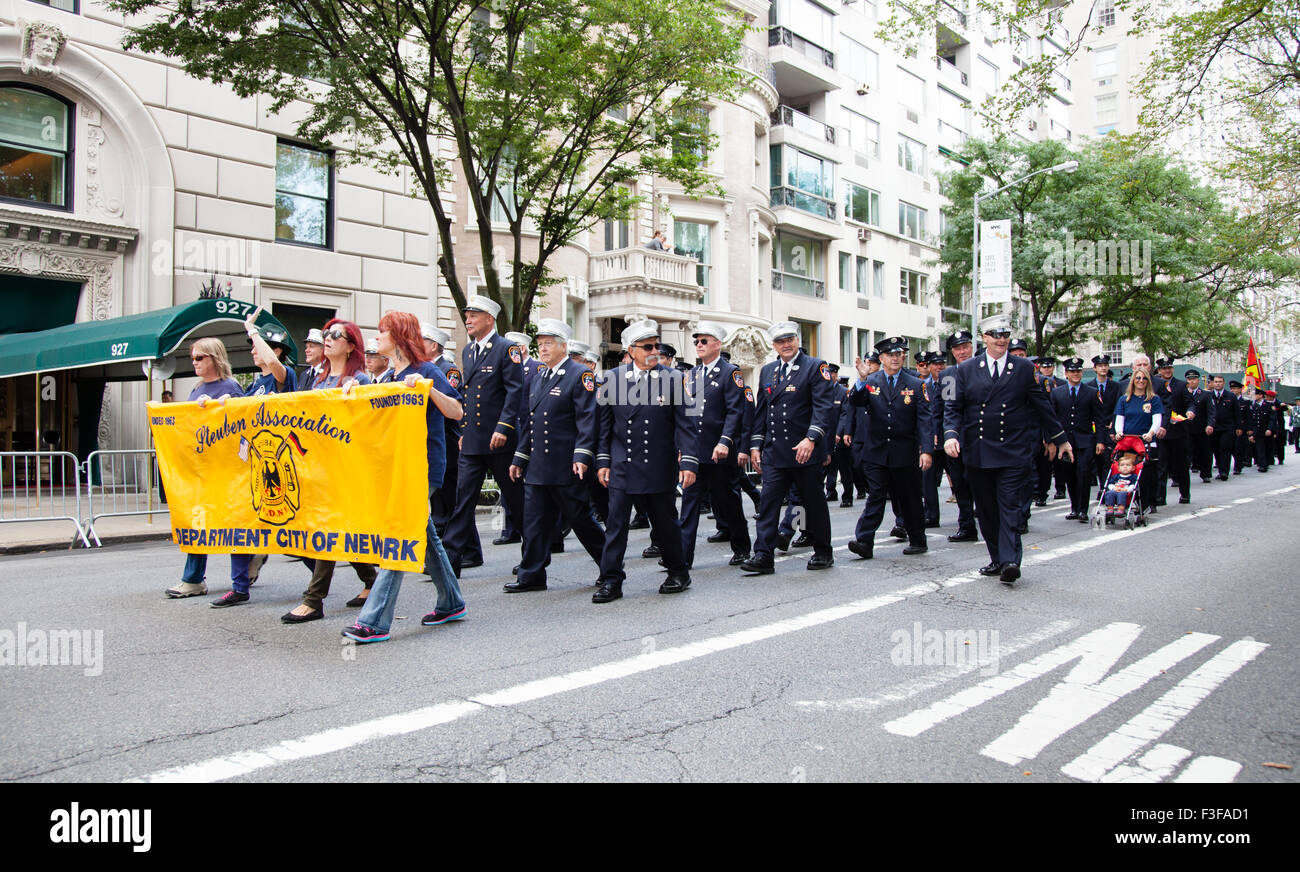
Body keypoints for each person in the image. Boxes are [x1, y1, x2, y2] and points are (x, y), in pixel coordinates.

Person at [341, 311, 466, 643]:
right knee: (424, 536)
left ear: (397, 336)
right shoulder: (385, 378)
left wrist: (427, 391)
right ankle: (451, 601)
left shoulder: (426, 371)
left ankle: (375, 620)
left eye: (382, 332)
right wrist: (354, 395)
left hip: (422, 467)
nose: (376, 339)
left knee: (398, 533)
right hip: (395, 467)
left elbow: (456, 411)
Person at [942, 314, 1070, 586]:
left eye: (1005, 336)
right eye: (995, 336)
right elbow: (952, 408)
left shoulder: (1023, 367)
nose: (1001, 340)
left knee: (1009, 506)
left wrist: (1060, 438)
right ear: (985, 338)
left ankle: (1011, 561)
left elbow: (1041, 404)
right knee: (987, 510)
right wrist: (950, 436)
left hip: (1013, 451)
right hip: (978, 451)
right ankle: (998, 558)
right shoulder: (963, 370)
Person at [592, 320, 696, 603]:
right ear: (631, 350)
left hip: (658, 465)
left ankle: (678, 571)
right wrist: (602, 461)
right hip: (622, 465)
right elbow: (603, 425)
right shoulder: (611, 379)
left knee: (665, 525)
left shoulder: (673, 379)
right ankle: (611, 580)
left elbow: (686, 424)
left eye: (656, 346)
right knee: (615, 526)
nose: (654, 351)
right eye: (648, 346)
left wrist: (688, 462)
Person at [284, 319, 378, 622]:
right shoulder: (318, 381)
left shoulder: (361, 380)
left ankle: (313, 600)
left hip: (347, 468)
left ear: (351, 345)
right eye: (326, 334)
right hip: (319, 466)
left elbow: (369, 425)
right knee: (340, 529)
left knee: (327, 528)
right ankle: (372, 580)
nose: (327, 339)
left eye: (336, 335)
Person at [505, 319, 606, 592]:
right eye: (540, 344)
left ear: (564, 346)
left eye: (549, 343)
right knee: (534, 522)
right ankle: (532, 575)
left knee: (580, 519)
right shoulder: (539, 377)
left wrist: (583, 456)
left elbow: (588, 420)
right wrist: (519, 457)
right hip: (539, 466)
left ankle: (610, 567)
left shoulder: (579, 375)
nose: (543, 349)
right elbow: (531, 422)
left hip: (566, 465)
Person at [741, 322, 838, 575]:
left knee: (813, 502)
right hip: (775, 451)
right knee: (769, 503)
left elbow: (823, 408)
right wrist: (755, 445)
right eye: (780, 341)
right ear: (774, 345)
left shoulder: (815, 367)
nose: (786, 344)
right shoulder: (768, 371)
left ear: (797, 340)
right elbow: (761, 411)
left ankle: (823, 551)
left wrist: (811, 438)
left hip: (804, 450)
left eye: (790, 339)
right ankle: (763, 554)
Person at [443, 296, 525, 575]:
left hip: (499, 441)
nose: (468, 320)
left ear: (490, 319)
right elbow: (468, 396)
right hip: (475, 440)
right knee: (462, 499)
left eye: (473, 315)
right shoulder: (468, 351)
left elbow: (515, 391)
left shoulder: (506, 349)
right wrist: (465, 431)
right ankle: (451, 561)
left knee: (516, 500)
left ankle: (533, 556)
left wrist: (503, 427)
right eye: (466, 315)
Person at [165, 338, 249, 600]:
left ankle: (240, 582)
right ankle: (192, 579)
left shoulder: (231, 387)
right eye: (193, 358)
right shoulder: (198, 387)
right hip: (203, 469)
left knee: (234, 526)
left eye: (200, 357)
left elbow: (242, 426)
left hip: (226, 471)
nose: (195, 362)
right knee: (198, 521)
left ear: (215, 358)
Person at [845, 337, 933, 559]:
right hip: (876, 451)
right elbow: (855, 402)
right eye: (890, 355)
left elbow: (925, 420)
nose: (895, 358)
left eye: (898, 354)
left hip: (905, 451)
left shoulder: (915, 383)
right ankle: (864, 540)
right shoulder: (871, 381)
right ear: (881, 358)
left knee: (909, 497)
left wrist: (926, 451)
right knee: (876, 495)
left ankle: (917, 539)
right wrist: (861, 379)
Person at [677, 321, 751, 569]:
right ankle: (682, 559)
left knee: (727, 501)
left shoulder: (731, 372)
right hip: (696, 452)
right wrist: (683, 449)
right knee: (688, 506)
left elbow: (734, 411)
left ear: (717, 344)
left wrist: (725, 442)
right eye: (696, 341)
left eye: (703, 341)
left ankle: (742, 547)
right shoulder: (693, 375)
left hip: (719, 452)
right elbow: (688, 415)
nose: (698, 345)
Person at [1051, 358, 1106, 521]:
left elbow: (1099, 418)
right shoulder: (1057, 392)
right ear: (1066, 373)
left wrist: (1100, 441)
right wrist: (1053, 440)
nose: (1076, 374)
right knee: (1070, 475)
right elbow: (1053, 418)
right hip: (1066, 441)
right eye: (1072, 371)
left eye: (1078, 371)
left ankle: (1082, 509)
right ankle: (1074, 507)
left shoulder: (1090, 392)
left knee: (1084, 473)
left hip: (1085, 439)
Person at [1114, 368, 1163, 513]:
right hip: (1129, 442)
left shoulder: (1153, 399)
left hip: (1145, 441)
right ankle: (1128, 501)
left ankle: (1149, 502)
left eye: (1144, 378)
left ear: (1148, 381)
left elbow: (1157, 420)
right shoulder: (1124, 399)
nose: (1141, 381)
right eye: (1138, 378)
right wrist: (1119, 432)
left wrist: (1151, 432)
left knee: (1148, 474)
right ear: (1133, 381)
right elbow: (1119, 419)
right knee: (1128, 471)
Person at [1153, 358, 1192, 505]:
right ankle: (1160, 497)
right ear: (1159, 370)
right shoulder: (1154, 385)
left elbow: (1189, 403)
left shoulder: (1181, 385)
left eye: (1169, 368)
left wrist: (1190, 412)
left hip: (1177, 431)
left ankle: (1185, 493)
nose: (1167, 371)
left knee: (1181, 464)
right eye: (1164, 369)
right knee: (1161, 466)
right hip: (1160, 432)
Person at [1090, 354, 1121, 492]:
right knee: (1095, 461)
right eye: (1100, 366)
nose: (1103, 368)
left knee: (1107, 461)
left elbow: (1118, 407)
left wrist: (1113, 424)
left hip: (1109, 427)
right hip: (1094, 427)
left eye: (1105, 365)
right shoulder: (1089, 386)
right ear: (1094, 368)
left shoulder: (1116, 386)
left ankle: (1106, 489)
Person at [1205, 375, 1236, 480]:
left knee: (1225, 449)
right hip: (1213, 428)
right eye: (1216, 382)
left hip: (1227, 428)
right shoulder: (1209, 396)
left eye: (1220, 382)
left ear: (1223, 383)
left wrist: (1238, 427)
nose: (1218, 384)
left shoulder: (1231, 396)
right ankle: (1220, 469)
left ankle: (1224, 472)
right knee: (1216, 450)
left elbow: (1236, 414)